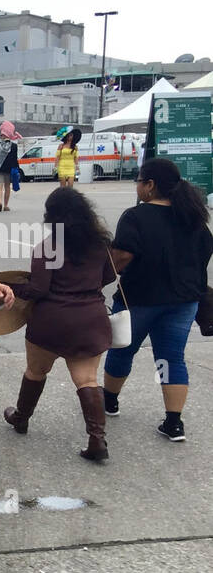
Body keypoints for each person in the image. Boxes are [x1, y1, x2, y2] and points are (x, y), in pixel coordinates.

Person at [102, 157, 213, 442]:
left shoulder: (135, 216)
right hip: (184, 301)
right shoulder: (193, 217)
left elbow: (123, 256)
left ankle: (110, 402)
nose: (137, 186)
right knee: (171, 358)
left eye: (139, 181)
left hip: (139, 299)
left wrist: (102, 274)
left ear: (150, 185)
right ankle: (174, 423)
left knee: (121, 350)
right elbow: (203, 255)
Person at [2, 188, 116, 461]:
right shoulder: (101, 244)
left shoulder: (48, 247)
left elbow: (39, 289)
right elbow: (109, 277)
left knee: (35, 371)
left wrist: (13, 287)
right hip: (90, 320)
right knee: (87, 380)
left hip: (50, 322)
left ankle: (21, 418)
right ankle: (97, 440)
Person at [0, 121, 20, 212]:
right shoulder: (14, 146)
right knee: (7, 187)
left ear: (3, 135)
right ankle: (5, 205)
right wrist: (16, 169)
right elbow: (15, 158)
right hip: (10, 170)